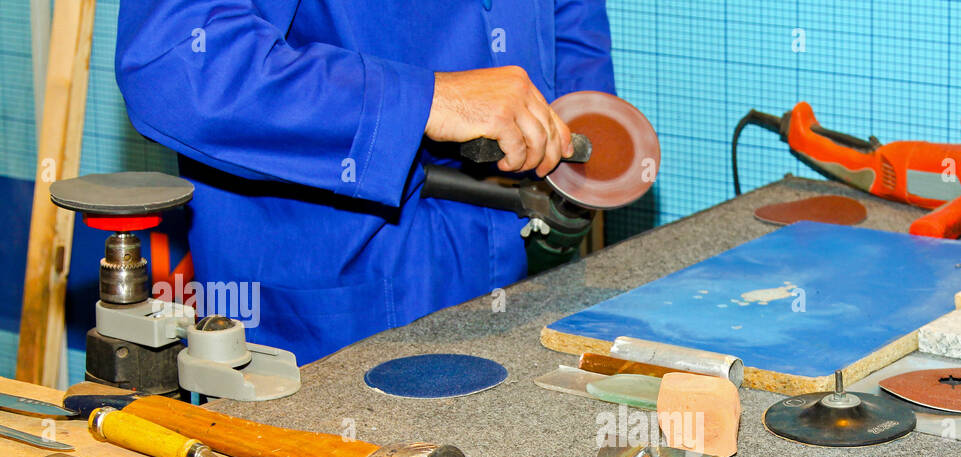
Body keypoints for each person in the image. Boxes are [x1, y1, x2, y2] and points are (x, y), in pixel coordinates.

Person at [115, 0, 615, 364]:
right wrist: (427, 101)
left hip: (517, 281)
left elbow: (569, 17)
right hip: (330, 316)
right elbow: (178, 64)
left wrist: (580, 126)